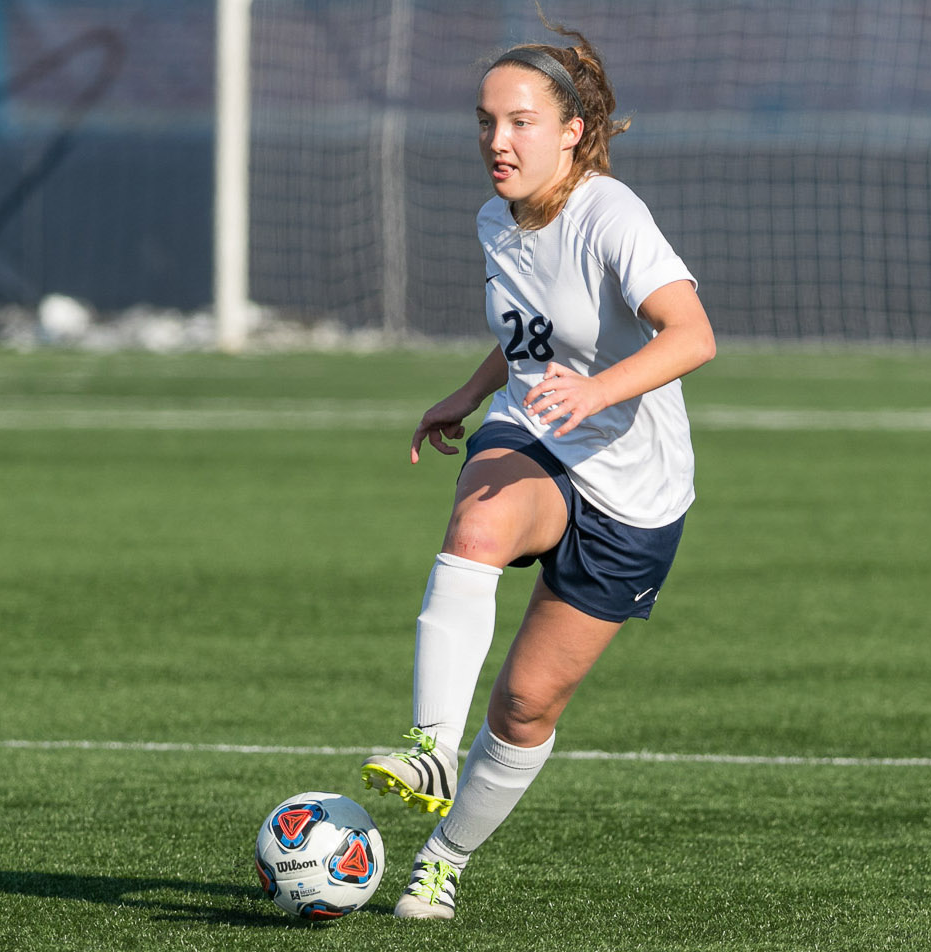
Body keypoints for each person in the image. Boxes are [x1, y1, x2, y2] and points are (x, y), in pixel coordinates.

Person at [360, 17, 716, 921]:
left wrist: (598, 396)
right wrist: (472, 393)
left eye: (518, 122)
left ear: (574, 132)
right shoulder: (497, 219)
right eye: (484, 122)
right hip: (536, 435)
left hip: (636, 488)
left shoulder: (612, 213)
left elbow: (693, 335)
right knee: (477, 522)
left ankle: (443, 858)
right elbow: (529, 335)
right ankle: (431, 742)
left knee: (525, 705)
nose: (496, 141)